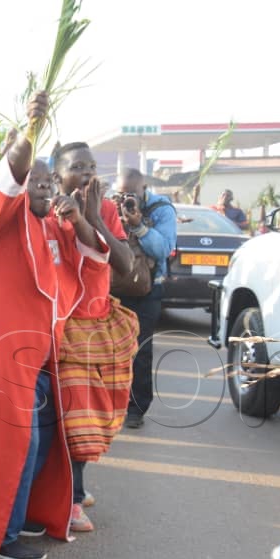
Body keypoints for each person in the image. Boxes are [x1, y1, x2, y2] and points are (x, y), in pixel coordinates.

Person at [0, 92, 110, 559]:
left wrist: (83, 221)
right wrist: (29, 129)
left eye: (45, 182)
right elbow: (9, 175)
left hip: (36, 360)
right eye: (31, 181)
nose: (39, 187)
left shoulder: (51, 228)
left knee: (41, 442)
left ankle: (20, 515)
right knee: (11, 445)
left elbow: (95, 261)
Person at [52, 141, 139, 531]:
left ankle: (75, 484)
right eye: (77, 167)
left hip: (100, 325)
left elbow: (125, 266)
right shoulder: (45, 210)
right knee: (75, 418)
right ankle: (69, 499)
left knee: (97, 417)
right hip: (62, 328)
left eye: (91, 167)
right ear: (58, 176)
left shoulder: (103, 208)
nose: (87, 174)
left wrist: (96, 220)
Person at [115, 167, 178, 429]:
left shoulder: (162, 209)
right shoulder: (111, 206)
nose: (126, 199)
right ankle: (111, 405)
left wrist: (139, 226)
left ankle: (136, 409)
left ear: (143, 190)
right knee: (112, 350)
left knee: (140, 350)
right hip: (115, 287)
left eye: (131, 193)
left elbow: (164, 249)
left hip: (148, 290)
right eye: (121, 194)